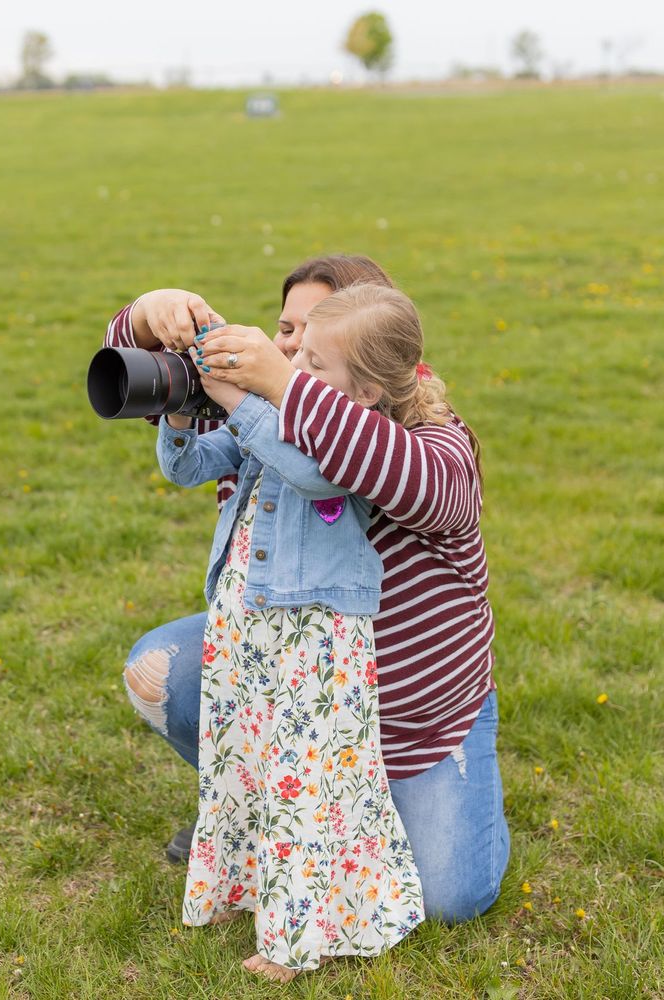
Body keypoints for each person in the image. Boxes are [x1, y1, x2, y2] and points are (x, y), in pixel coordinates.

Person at [103, 255, 508, 931]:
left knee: (446, 898)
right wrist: (150, 314)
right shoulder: (267, 410)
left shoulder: (436, 440)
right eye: (285, 329)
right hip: (287, 677)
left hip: (414, 725)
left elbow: (406, 479)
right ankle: (259, 813)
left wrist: (285, 387)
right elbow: (156, 395)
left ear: (375, 361)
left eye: (312, 341)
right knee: (163, 676)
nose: (285, 348)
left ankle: (419, 793)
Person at [159, 286, 424, 980]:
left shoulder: (357, 445)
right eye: (295, 349)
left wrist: (244, 403)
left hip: (314, 639)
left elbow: (310, 474)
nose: (292, 366)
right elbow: (185, 467)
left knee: (298, 781)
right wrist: (186, 408)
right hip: (245, 625)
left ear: (363, 393)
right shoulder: (271, 416)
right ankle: (231, 888)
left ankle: (293, 940)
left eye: (315, 361)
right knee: (237, 762)